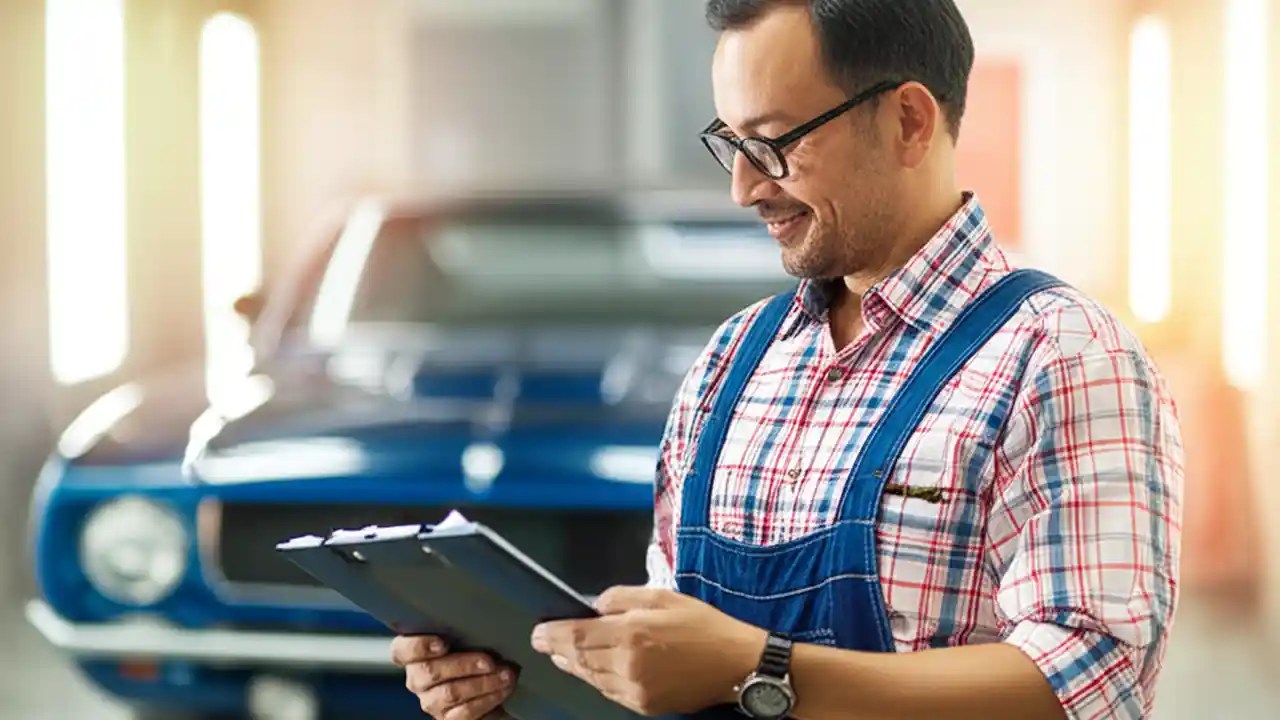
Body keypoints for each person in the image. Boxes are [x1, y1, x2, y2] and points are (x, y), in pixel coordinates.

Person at [391, 1, 1184, 718]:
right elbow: (673, 670)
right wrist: (519, 687)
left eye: (772, 142)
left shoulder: (1062, 356)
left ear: (909, 121)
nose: (743, 188)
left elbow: (1090, 676)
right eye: (731, 143)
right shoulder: (733, 361)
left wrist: (760, 667)